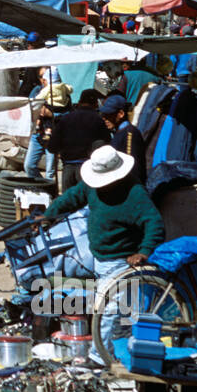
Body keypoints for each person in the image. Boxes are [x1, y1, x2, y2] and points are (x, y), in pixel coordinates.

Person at [40, 145, 165, 365]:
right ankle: (119, 350)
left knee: (109, 312)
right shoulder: (92, 187)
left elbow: (154, 223)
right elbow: (72, 197)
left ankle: (99, 358)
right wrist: (49, 215)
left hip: (122, 261)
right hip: (101, 259)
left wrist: (143, 252)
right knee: (118, 311)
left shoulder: (135, 194)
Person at [48, 89, 110, 191]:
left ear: (80, 102)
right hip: (89, 170)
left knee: (68, 204)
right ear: (95, 104)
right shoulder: (98, 120)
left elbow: (52, 147)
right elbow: (106, 143)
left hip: (68, 169)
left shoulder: (65, 119)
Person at [100, 94, 147, 184]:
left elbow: (133, 167)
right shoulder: (119, 132)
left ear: (121, 114)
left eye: (108, 114)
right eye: (103, 115)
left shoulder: (130, 133)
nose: (104, 118)